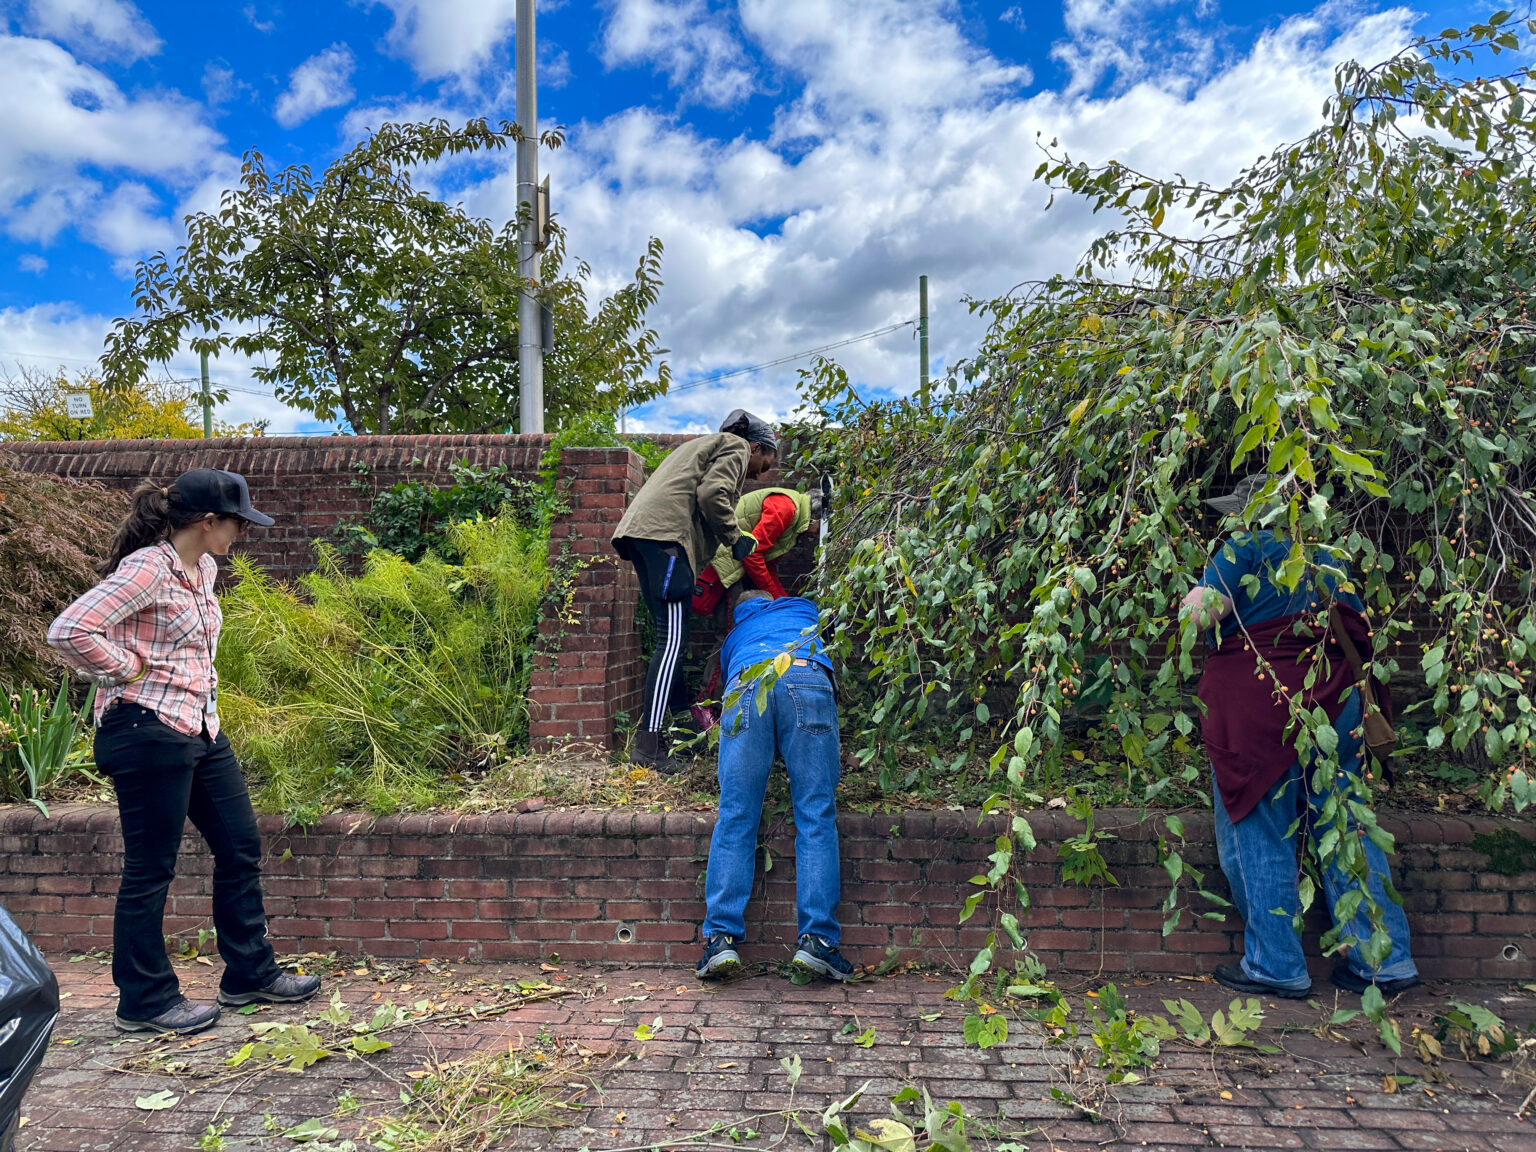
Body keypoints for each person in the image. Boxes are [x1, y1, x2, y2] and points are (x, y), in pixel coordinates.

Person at [47, 469, 321, 1036]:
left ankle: (249, 974)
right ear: (208, 521)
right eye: (239, 522)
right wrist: (130, 668)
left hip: (199, 728)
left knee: (240, 846)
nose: (243, 532)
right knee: (151, 869)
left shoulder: (205, 570)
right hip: (145, 728)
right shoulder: (148, 568)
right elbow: (70, 630)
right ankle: (144, 1001)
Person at [1182, 474, 1419, 1000]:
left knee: (1258, 824)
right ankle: (1384, 962)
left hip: (1261, 708)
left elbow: (1202, 615)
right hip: (1335, 701)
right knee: (1346, 824)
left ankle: (1275, 964)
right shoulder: (1327, 556)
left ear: (1250, 512)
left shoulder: (1243, 548)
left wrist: (1192, 595)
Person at [695, 589, 853, 982]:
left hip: (747, 682)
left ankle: (720, 940)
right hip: (806, 675)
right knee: (815, 813)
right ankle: (818, 942)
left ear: (740, 615)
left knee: (736, 814)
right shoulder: (803, 609)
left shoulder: (735, 638)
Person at [612, 410, 778, 771]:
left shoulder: (704, 445)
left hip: (643, 536)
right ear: (756, 447)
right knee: (671, 642)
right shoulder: (735, 446)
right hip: (667, 540)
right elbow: (712, 494)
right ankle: (648, 747)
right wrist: (735, 538)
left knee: (670, 639)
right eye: (765, 464)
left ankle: (679, 728)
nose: (760, 474)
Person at [691, 487, 821, 615]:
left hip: (733, 557)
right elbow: (752, 554)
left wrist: (783, 601)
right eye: (821, 526)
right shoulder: (785, 509)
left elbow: (767, 564)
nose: (817, 534)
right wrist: (777, 601)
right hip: (725, 558)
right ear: (816, 517)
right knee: (734, 620)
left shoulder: (793, 510)